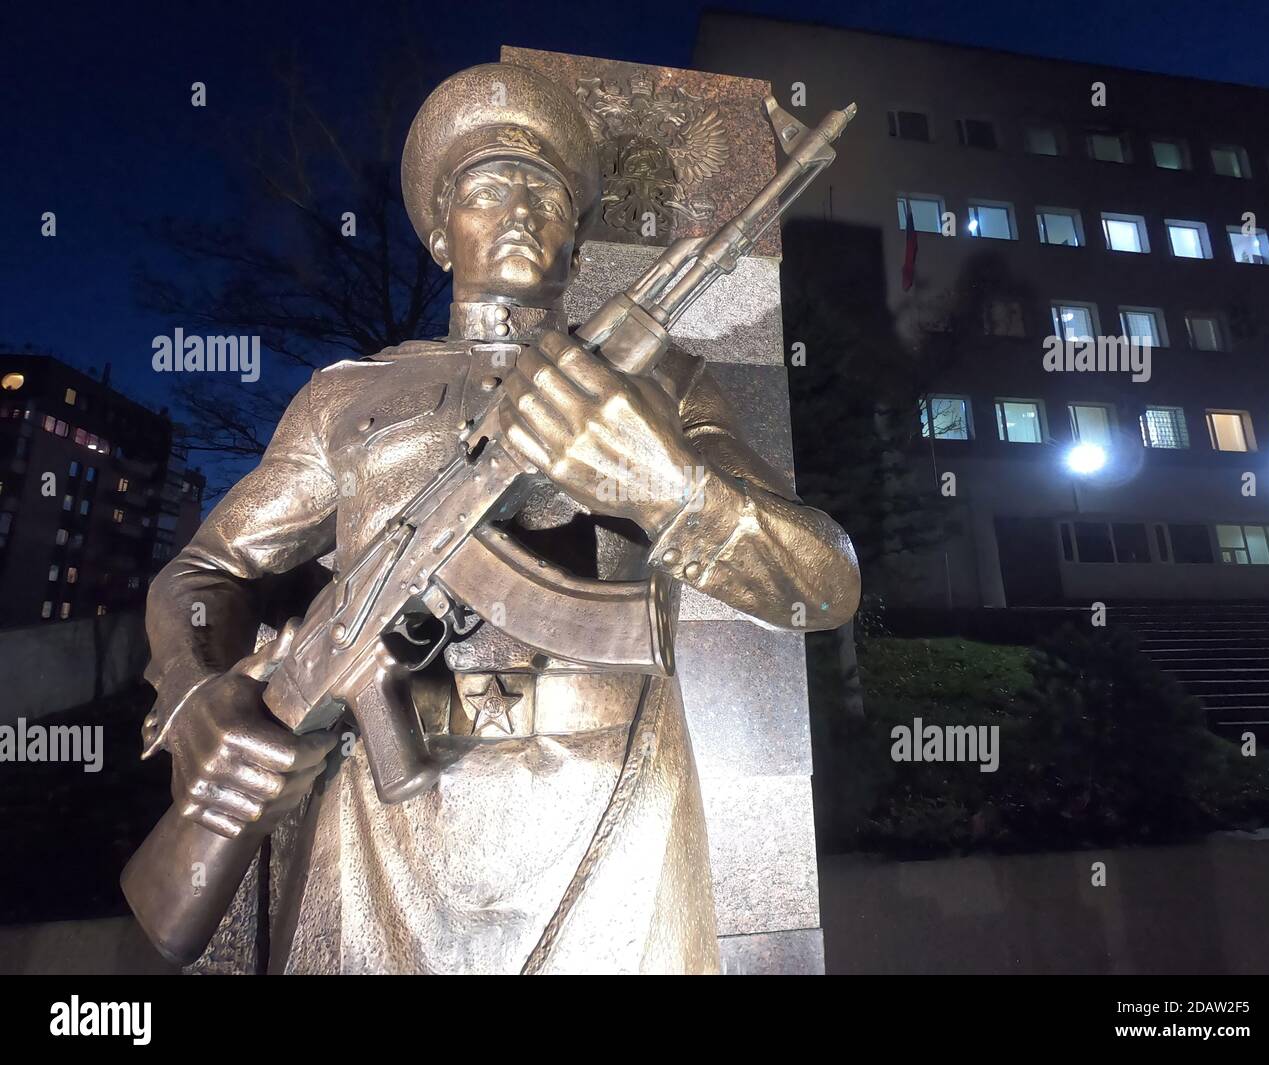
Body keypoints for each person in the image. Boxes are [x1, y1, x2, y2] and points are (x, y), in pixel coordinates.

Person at [139, 62, 860, 973]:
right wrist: (195, 686)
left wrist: (670, 486)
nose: (521, 208)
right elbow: (201, 573)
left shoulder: (662, 384)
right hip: (380, 825)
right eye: (488, 187)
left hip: (617, 813)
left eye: (547, 193)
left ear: (575, 238)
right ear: (441, 234)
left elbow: (825, 584)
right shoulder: (348, 398)